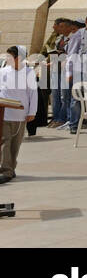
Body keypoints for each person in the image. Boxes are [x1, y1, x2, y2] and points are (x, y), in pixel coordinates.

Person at [1, 46, 37, 183]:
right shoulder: (3, 72)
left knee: (15, 144)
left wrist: (32, 112)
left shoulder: (29, 73)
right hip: (4, 113)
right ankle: (5, 170)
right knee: (4, 141)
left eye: (10, 57)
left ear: (19, 58)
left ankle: (10, 168)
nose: (7, 59)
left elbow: (33, 94)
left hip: (20, 114)